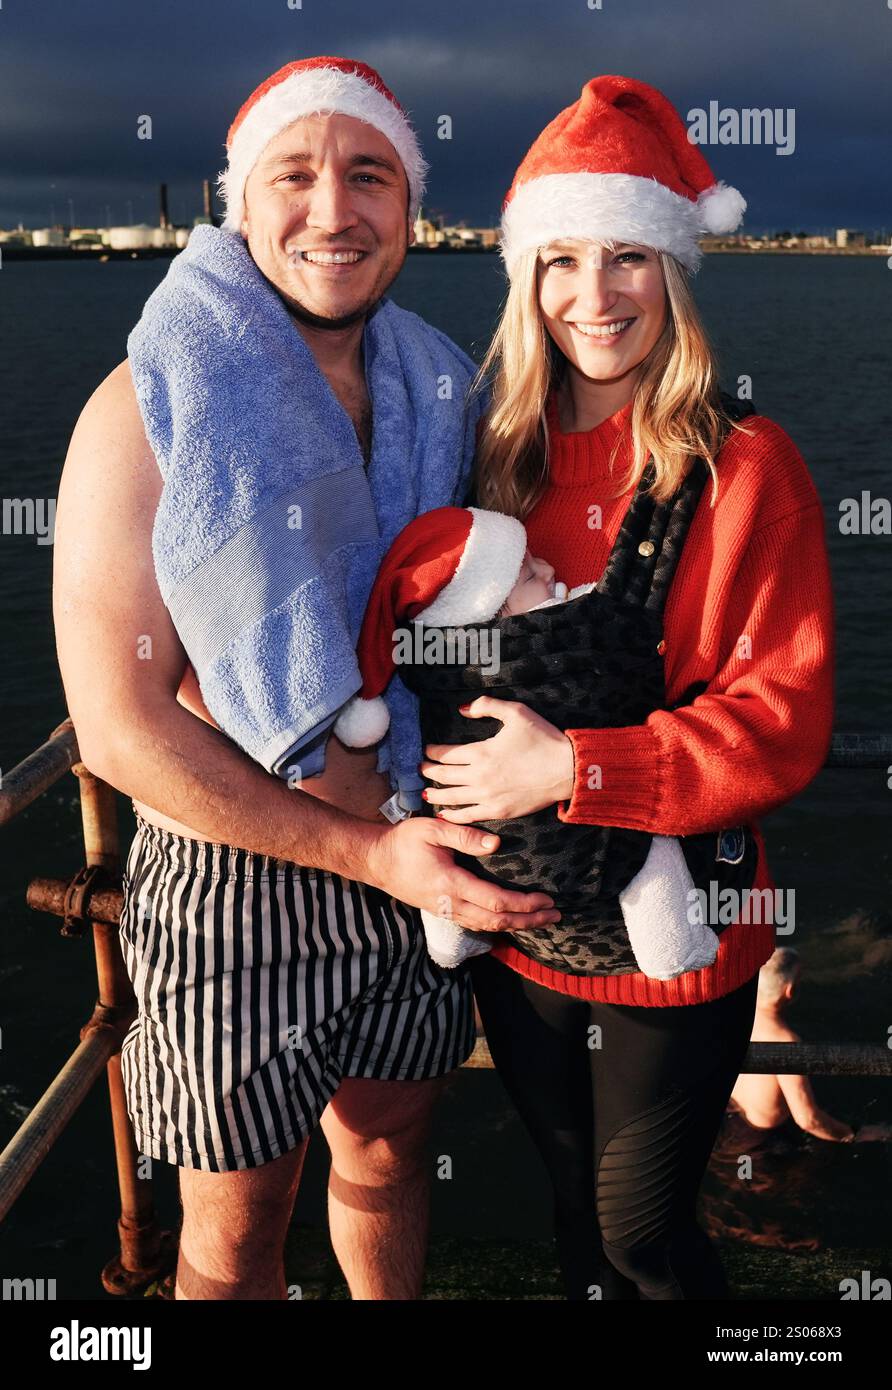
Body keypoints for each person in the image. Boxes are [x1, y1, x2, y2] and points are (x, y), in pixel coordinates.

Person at [52, 56, 558, 1302]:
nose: (333, 210)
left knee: (386, 1156)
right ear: (238, 200)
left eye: (369, 174)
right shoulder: (146, 410)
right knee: (233, 1237)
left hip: (416, 840)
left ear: (409, 206)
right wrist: (361, 856)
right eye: (295, 174)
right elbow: (116, 726)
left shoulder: (445, 391)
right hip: (240, 877)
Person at [419, 74, 836, 1300]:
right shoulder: (493, 450)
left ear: (672, 271)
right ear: (523, 277)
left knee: (641, 1240)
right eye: (558, 260)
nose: (590, 296)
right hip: (520, 922)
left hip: (677, 941)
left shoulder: (742, 463)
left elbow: (782, 720)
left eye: (625, 259)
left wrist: (575, 767)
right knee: (570, 1224)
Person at [333, 504, 724, 981]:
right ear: (492, 609)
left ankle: (449, 936)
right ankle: (670, 946)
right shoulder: (566, 628)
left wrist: (570, 768)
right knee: (648, 842)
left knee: (456, 830)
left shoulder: (436, 671)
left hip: (492, 875)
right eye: (526, 572)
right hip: (595, 846)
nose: (548, 568)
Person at [729, 948, 853, 1142]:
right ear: (790, 990)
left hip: (729, 1122)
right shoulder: (785, 1041)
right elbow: (808, 1120)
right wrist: (853, 1134)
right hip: (761, 1143)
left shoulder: (733, 1014)